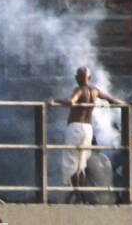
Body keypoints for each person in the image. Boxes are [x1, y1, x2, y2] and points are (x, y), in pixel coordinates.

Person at [49, 66, 125, 202]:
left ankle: (80, 196)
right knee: (81, 165)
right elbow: (111, 100)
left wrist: (54, 101)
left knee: (71, 164)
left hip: (76, 128)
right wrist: (126, 105)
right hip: (88, 129)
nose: (76, 77)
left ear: (78, 78)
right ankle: (81, 197)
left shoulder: (79, 90)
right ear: (89, 78)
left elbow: (71, 101)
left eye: (77, 75)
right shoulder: (95, 91)